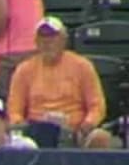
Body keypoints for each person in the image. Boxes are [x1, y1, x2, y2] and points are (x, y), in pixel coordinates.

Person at [7, 16, 115, 149]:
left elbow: (97, 106)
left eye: (52, 37)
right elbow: (14, 110)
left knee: (100, 137)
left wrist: (88, 123)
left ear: (63, 40)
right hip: (36, 132)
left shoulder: (82, 66)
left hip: (75, 130)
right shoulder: (24, 70)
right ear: (36, 42)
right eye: (42, 38)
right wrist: (20, 125)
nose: (47, 42)